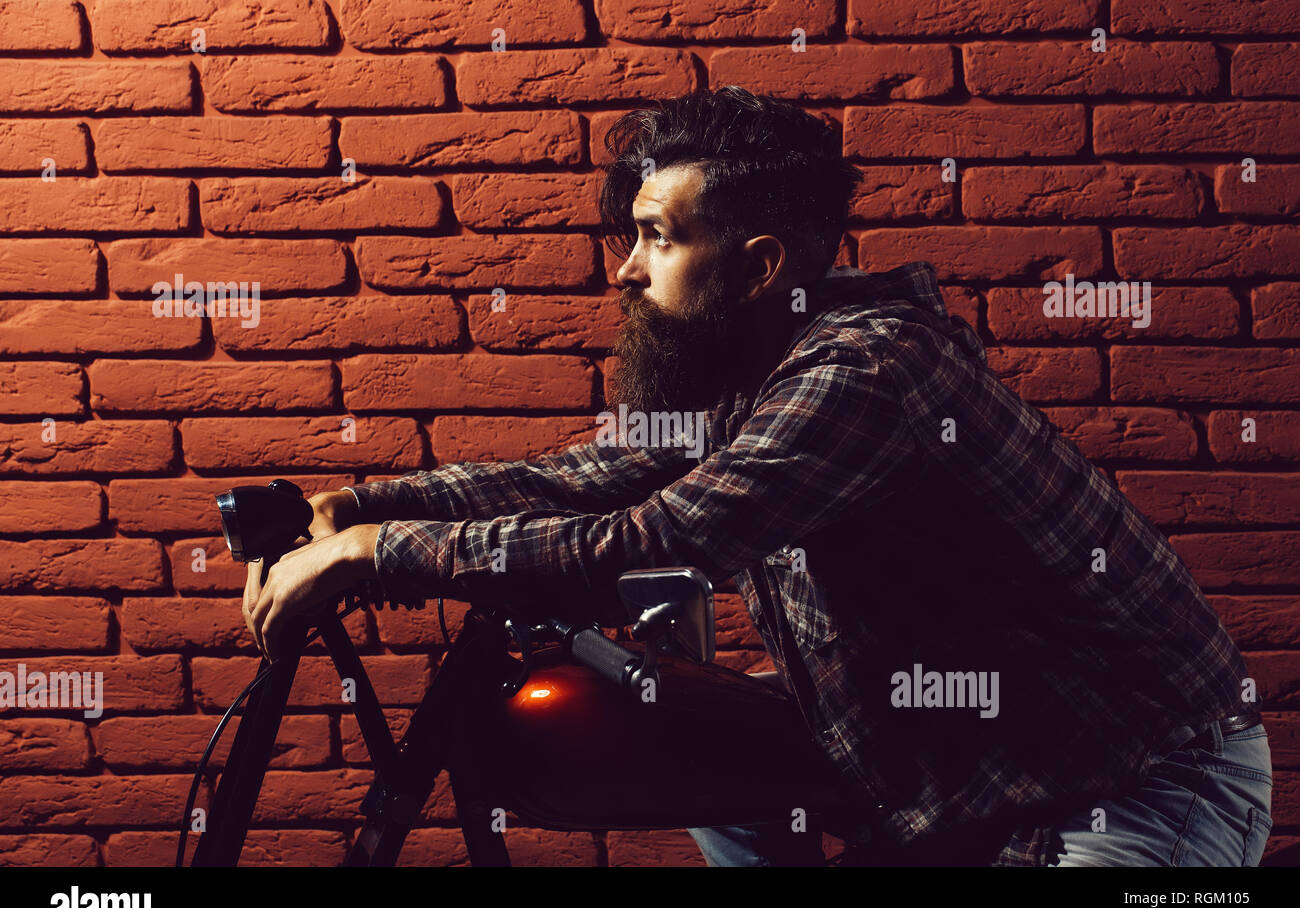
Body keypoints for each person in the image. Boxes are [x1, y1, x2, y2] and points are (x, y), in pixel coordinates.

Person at [244, 86, 1271, 866]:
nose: (624, 270)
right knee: (699, 750)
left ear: (759, 265)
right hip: (959, 766)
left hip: (1138, 784)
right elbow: (610, 475)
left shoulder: (867, 367)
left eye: (655, 237)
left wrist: (377, 556)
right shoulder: (761, 370)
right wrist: (370, 505)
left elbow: (667, 537)